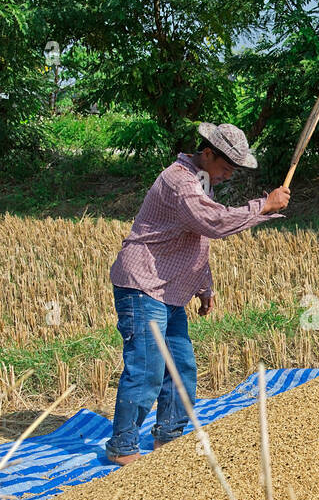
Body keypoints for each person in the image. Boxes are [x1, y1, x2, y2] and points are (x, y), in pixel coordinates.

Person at [105, 122, 290, 466]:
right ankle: (123, 447)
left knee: (181, 367)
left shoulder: (200, 181)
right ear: (207, 154)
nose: (227, 176)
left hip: (170, 289)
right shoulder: (180, 182)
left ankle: (170, 438)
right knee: (147, 367)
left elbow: (197, 239)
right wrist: (263, 204)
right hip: (143, 285)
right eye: (225, 168)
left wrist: (204, 286)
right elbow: (213, 224)